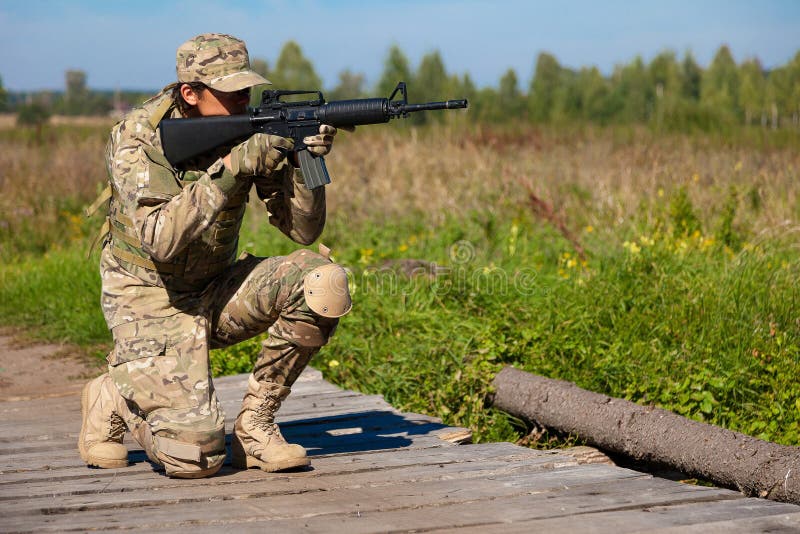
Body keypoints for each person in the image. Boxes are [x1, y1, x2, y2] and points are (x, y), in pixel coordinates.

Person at [78, 33, 352, 478]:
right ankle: (116, 394)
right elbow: (159, 239)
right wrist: (235, 167)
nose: (244, 102)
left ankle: (256, 426)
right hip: (148, 299)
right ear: (190, 93)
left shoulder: (250, 127)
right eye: (231, 93)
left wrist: (304, 163)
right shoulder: (138, 138)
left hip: (213, 287)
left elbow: (302, 231)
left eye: (247, 91)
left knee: (322, 281)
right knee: (196, 457)